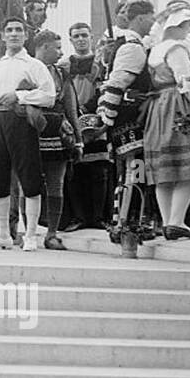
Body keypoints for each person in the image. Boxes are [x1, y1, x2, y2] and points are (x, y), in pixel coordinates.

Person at [0, 17, 57, 251]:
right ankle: (2, 234)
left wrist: (20, 97)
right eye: (9, 30)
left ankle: (30, 235)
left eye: (18, 30)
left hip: (22, 123)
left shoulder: (34, 66)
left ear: (26, 35)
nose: (13, 34)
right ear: (2, 36)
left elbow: (49, 96)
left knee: (29, 178)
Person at [97, 0, 161, 254]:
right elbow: (116, 83)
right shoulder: (132, 47)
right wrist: (107, 118)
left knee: (133, 174)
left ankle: (129, 225)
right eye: (150, 16)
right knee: (135, 174)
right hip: (129, 120)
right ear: (141, 18)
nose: (153, 21)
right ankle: (128, 228)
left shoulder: (130, 44)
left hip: (130, 118)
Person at [142, 7, 190, 239]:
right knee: (188, 166)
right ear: (178, 26)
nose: (189, 30)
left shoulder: (156, 49)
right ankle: (177, 220)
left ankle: (168, 221)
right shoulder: (177, 48)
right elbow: (185, 81)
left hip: (158, 107)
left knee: (165, 168)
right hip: (177, 104)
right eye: (188, 26)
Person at [18, 30, 82, 251]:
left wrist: (78, 139)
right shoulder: (25, 69)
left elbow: (72, 109)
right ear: (44, 47)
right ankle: (30, 233)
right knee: (28, 184)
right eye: (57, 47)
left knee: (56, 184)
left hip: (58, 133)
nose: (61, 52)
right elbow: (17, 101)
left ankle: (52, 234)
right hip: (30, 132)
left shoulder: (62, 74)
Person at [61, 22, 110, 232]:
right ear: (71, 40)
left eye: (84, 35)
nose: (81, 39)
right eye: (76, 36)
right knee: (75, 171)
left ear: (91, 37)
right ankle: (78, 217)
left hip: (94, 120)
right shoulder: (64, 65)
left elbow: (104, 90)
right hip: (72, 122)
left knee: (98, 171)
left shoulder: (101, 64)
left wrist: (88, 108)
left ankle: (98, 217)